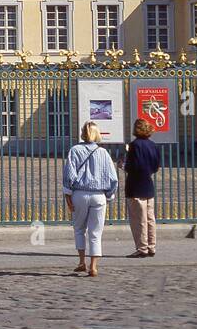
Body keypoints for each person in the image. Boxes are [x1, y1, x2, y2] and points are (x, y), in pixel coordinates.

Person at [63, 121, 119, 277]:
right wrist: (109, 195)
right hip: (99, 195)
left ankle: (82, 262)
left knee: (79, 229)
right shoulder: (103, 153)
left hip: (80, 194)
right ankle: (93, 266)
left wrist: (68, 196)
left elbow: (69, 175)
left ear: (83, 133)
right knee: (96, 232)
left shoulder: (74, 150)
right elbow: (113, 178)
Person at [124, 117, 161, 258]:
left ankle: (142, 247)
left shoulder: (134, 145)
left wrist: (124, 166)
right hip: (148, 184)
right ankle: (152, 246)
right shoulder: (153, 145)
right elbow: (156, 166)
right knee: (150, 218)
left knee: (138, 218)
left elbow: (133, 166)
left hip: (135, 185)